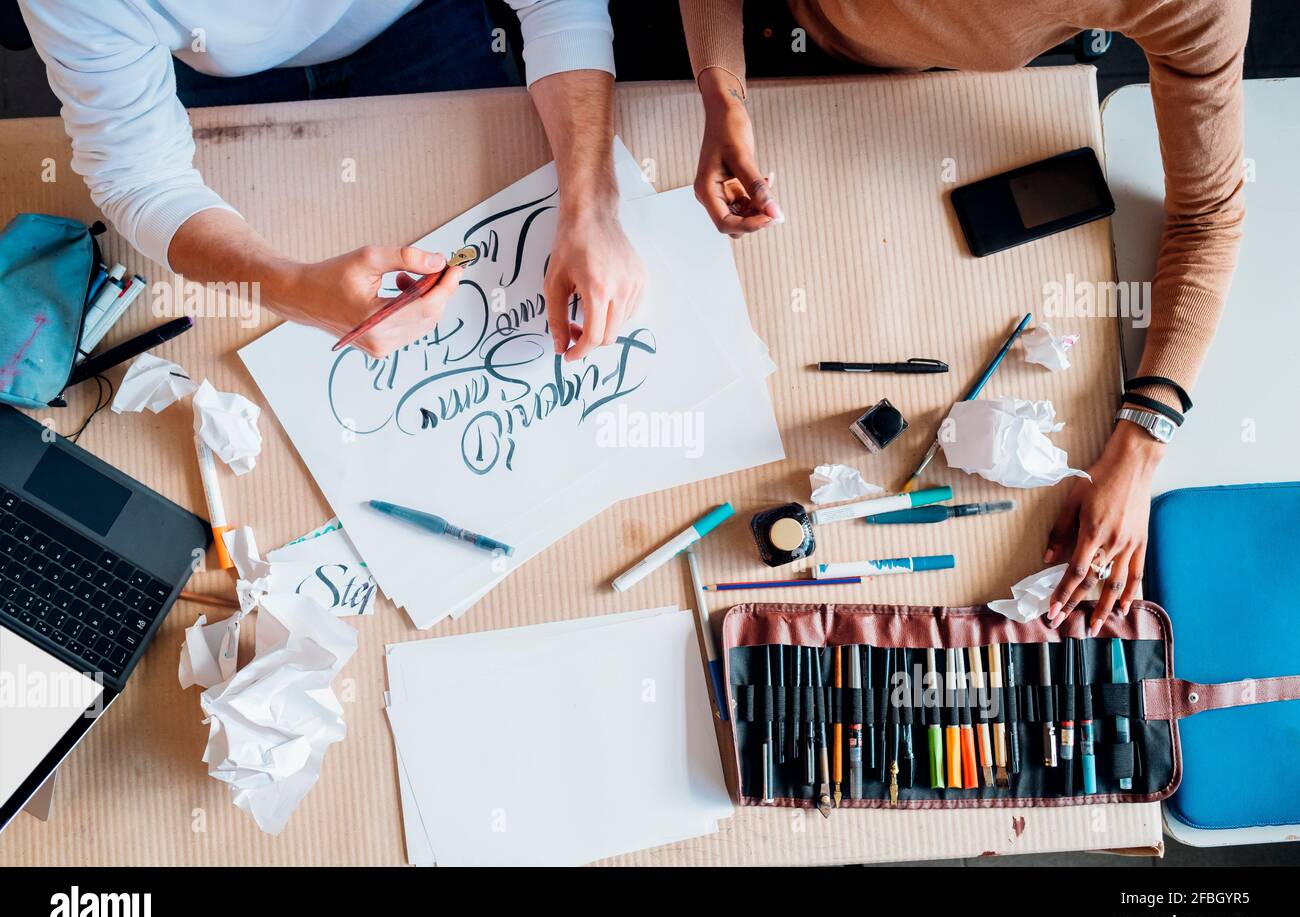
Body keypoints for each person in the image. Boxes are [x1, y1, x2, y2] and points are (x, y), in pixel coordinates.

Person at [678, 0, 1248, 636]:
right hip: (783, 43)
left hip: (969, 89)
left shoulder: (1200, 7)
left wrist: (1141, 444)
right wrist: (722, 90)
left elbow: (1211, 215)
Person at [19, 0, 644, 361]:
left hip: (420, 20)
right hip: (219, 72)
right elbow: (137, 174)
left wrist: (592, 205)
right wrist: (289, 286)